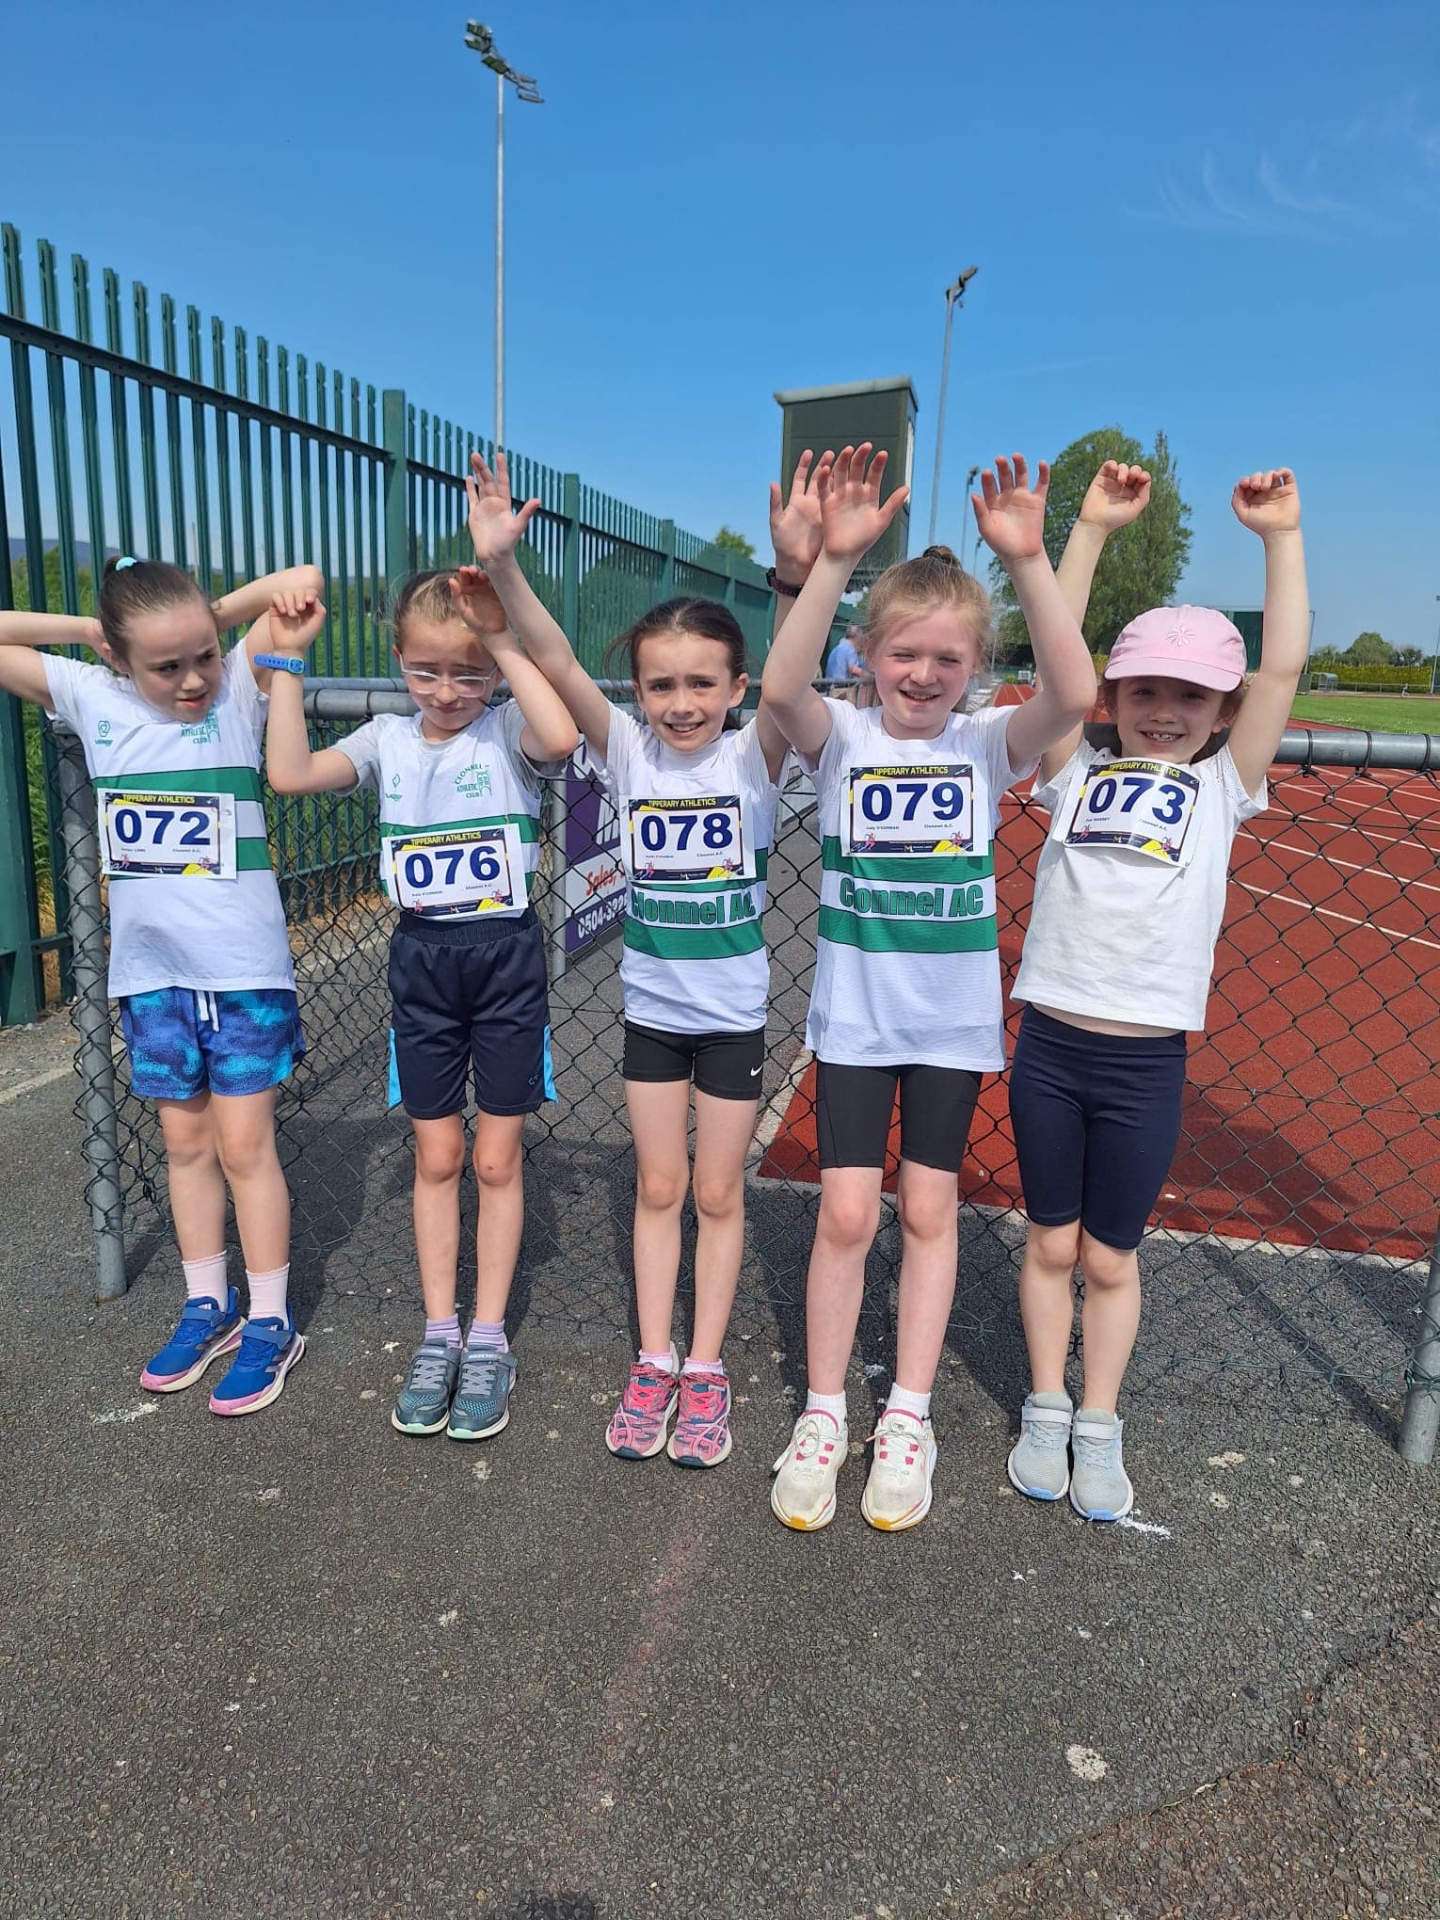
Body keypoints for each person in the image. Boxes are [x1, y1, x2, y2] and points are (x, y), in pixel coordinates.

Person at [760, 446, 1096, 1531]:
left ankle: (907, 1413)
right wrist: (832, 564)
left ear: (974, 670)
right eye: (904, 652)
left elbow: (1077, 691)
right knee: (850, 1212)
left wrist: (1032, 557)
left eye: (947, 658)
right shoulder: (843, 737)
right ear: (868, 654)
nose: (922, 673)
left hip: (949, 1028)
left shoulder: (987, 747)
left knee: (931, 1205)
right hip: (856, 1022)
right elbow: (777, 687)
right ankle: (822, 1410)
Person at [465, 450, 794, 1469]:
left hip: (735, 1012)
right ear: (639, 691)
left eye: (704, 682)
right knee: (659, 1188)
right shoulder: (627, 752)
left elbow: (792, 677)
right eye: (662, 684)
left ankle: (706, 1369)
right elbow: (559, 664)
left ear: (739, 686)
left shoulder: (757, 755)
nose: (682, 701)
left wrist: (796, 578)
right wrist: (506, 571)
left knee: (718, 1194)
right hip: (652, 1012)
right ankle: (653, 1358)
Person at [1005, 463, 1308, 1520]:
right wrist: (1083, 533)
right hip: (1048, 1046)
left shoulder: (1226, 786)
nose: (1165, 710)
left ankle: (1100, 1417)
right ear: (1111, 697)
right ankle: (1045, 1407)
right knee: (1048, 1242)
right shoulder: (1071, 771)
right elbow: (1058, 655)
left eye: (1190, 694)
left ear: (1221, 710)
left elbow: (1280, 673)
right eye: (1145, 690)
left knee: (1111, 1254)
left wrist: (1282, 537)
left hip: (1144, 1063)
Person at [0, 555, 324, 1412]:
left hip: (246, 976)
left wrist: (202, 622)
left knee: (246, 1148)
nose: (191, 680)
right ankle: (205, 1304)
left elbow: (303, 575)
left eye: (203, 656)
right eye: (165, 665)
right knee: (185, 1147)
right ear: (117, 658)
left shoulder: (237, 693)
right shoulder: (91, 693)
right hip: (153, 981)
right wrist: (95, 635)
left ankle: (271, 1320)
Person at [264, 564, 577, 1441]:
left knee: (496, 1161)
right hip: (423, 964)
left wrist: (504, 637)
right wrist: (288, 661)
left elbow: (556, 735)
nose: (449, 691)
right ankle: (440, 1331)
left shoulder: (508, 728)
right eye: (428, 670)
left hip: (505, 960)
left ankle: (489, 1339)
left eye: (469, 671)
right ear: (396, 658)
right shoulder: (384, 741)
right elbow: (287, 772)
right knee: (437, 1158)